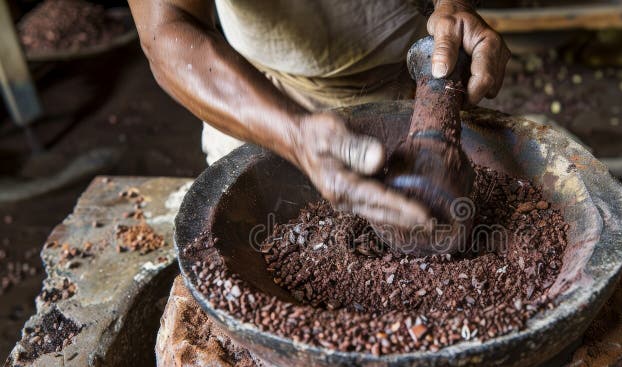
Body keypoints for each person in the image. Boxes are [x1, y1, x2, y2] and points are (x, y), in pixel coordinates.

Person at [129, 0, 510, 229]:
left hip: (421, 81)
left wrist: (453, 6)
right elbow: (168, 30)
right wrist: (294, 136)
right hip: (266, 102)